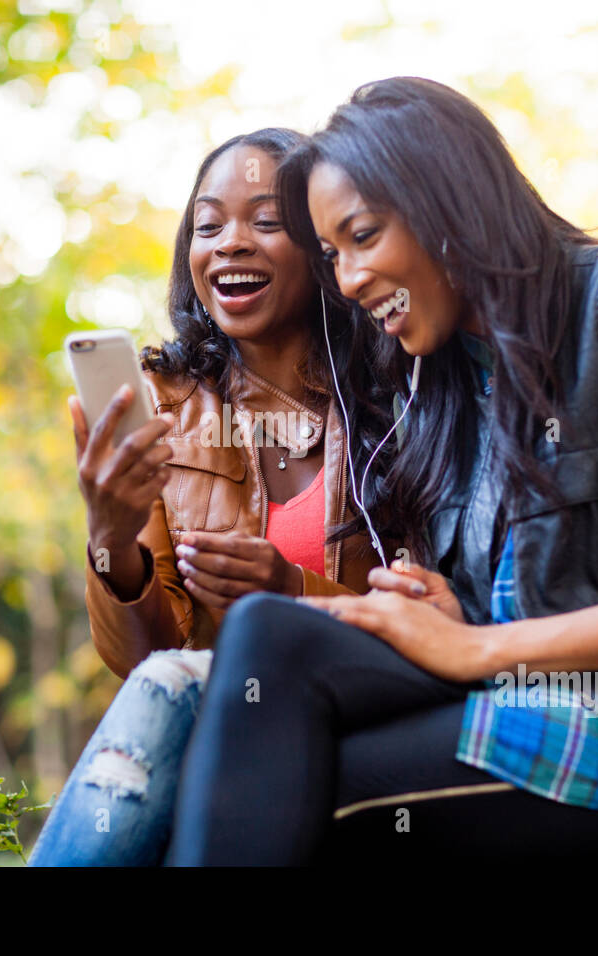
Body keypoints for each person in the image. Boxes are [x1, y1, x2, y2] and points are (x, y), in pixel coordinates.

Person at [164, 78, 598, 866]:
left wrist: (480, 650)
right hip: (534, 714)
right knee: (267, 634)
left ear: (447, 204)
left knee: (288, 782)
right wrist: (455, 617)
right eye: (334, 255)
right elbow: (510, 622)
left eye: (364, 236)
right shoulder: (443, 387)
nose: (346, 280)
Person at [29, 128, 383, 866]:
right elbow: (145, 657)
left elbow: (437, 613)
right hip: (211, 729)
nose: (229, 243)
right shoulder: (162, 407)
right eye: (208, 223)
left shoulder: (394, 400)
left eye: (265, 221)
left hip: (354, 716)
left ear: (323, 248)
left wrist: (289, 592)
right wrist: (112, 541)